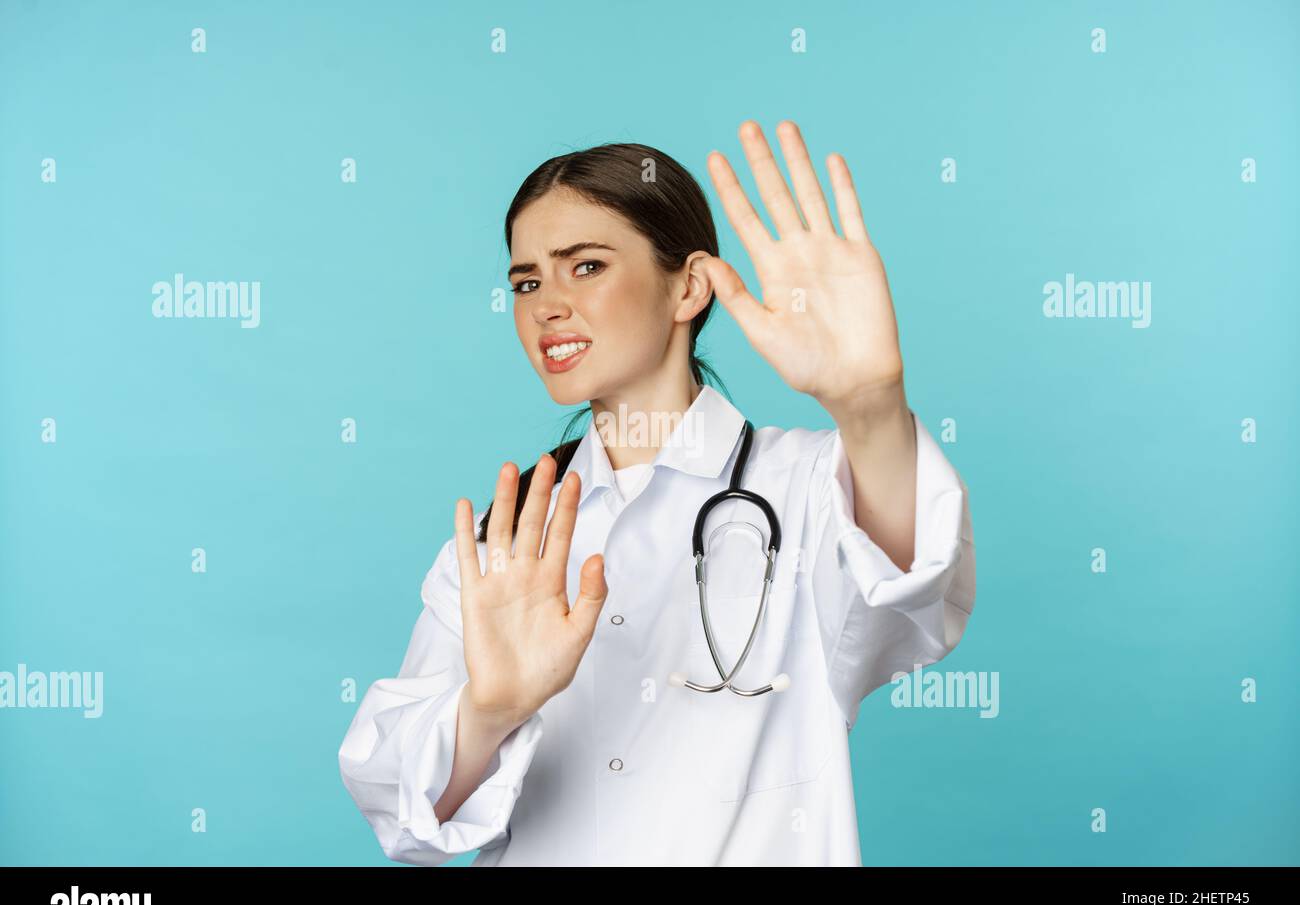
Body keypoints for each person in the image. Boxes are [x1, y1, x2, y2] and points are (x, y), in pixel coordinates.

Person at [337, 120, 976, 866]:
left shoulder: (806, 487)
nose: (545, 305)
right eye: (527, 281)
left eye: (586, 267)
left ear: (689, 286)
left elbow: (916, 594)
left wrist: (871, 404)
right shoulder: (506, 539)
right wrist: (489, 710)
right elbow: (403, 813)